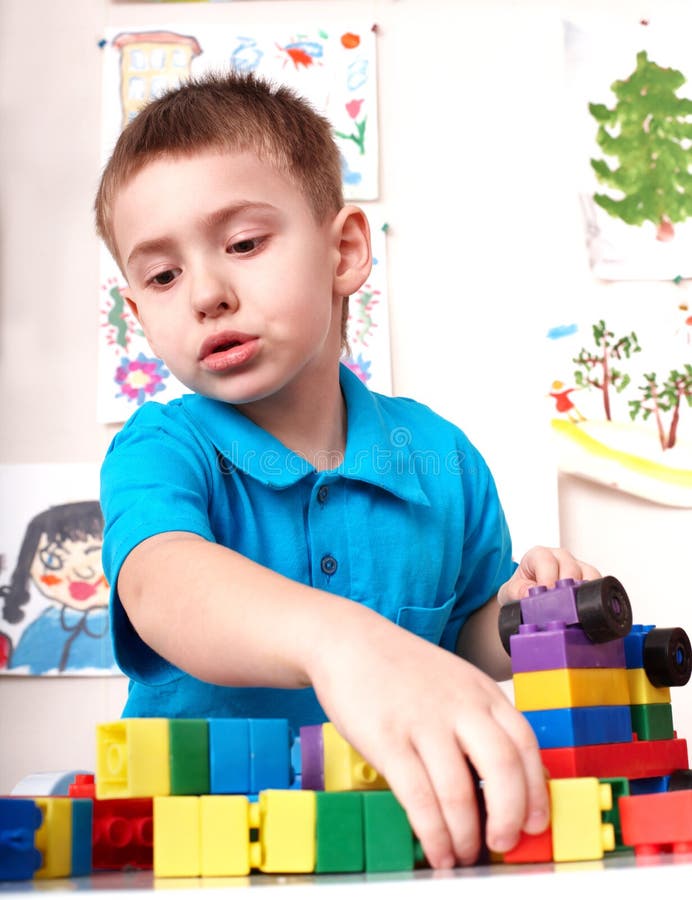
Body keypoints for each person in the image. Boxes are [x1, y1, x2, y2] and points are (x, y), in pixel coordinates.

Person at [96, 71, 599, 870]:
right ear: (138, 313)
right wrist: (343, 641)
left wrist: (518, 617)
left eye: (244, 244)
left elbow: (461, 641)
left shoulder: (439, 457)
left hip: (395, 840)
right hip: (200, 855)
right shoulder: (163, 449)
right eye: (163, 276)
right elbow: (161, 585)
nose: (207, 295)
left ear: (345, 251)